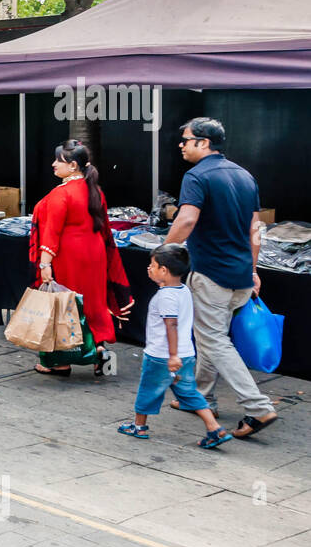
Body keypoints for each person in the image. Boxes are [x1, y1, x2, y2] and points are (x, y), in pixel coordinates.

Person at [164, 117, 277, 439]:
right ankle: (202, 397)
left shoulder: (197, 175)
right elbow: (255, 229)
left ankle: (257, 406)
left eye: (185, 140)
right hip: (240, 273)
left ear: (203, 143)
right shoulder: (244, 175)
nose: (181, 145)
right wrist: (253, 270)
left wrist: (163, 251)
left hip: (211, 273)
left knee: (214, 339)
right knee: (210, 336)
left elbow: (186, 219)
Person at [118, 244, 234, 449]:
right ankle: (213, 427)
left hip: (162, 356)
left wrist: (172, 355)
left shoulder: (166, 297)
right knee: (189, 392)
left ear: (164, 270)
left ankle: (139, 426)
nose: (148, 269)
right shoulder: (184, 291)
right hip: (186, 354)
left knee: (148, 390)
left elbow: (170, 324)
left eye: (152, 265)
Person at [30, 139, 130, 376]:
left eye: (59, 160)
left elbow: (52, 233)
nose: (54, 164)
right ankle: (100, 351)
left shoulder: (61, 194)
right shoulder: (95, 190)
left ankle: (60, 362)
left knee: (66, 307)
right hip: (95, 255)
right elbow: (105, 227)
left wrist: (45, 263)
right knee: (94, 304)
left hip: (68, 257)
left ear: (73, 165)